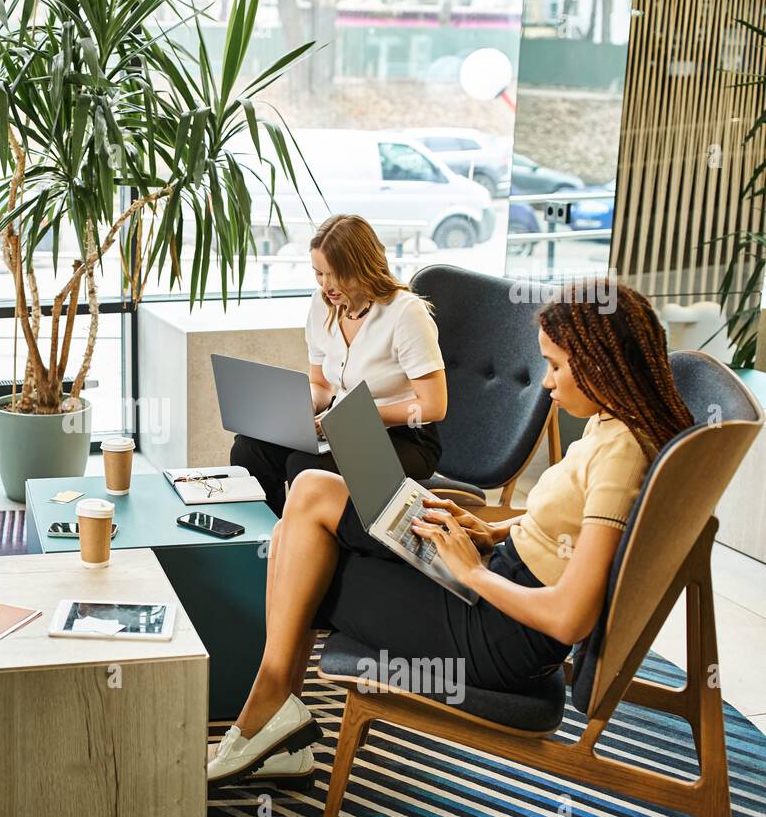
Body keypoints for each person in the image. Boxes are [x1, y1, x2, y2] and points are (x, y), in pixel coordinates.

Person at [209, 279, 693, 784]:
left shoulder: (619, 454)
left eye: (555, 366)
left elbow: (569, 619)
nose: (547, 383)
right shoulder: (613, 422)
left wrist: (472, 573)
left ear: (600, 365)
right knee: (312, 498)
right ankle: (274, 713)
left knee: (303, 541)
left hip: (498, 635)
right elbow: (565, 527)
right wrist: (490, 531)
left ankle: (268, 711)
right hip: (497, 586)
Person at [230, 214, 448, 517]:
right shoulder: (321, 304)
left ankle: (304, 542)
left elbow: (434, 406)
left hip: (405, 439)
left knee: (305, 466)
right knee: (251, 448)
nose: (327, 286)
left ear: (364, 267)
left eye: (337, 275)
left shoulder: (406, 314)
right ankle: (268, 537)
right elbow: (321, 385)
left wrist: (355, 418)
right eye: (319, 273)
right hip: (340, 426)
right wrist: (299, 410)